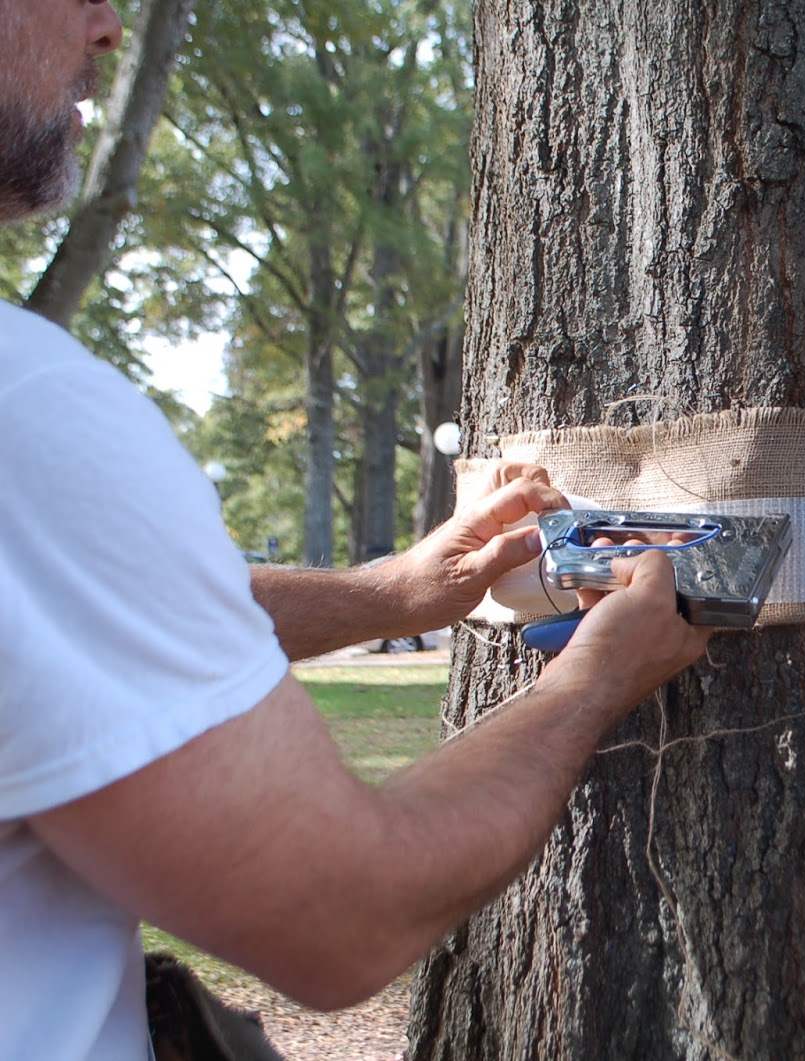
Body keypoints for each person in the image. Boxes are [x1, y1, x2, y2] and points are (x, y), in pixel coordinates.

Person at [0, 0, 710, 1055]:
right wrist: (593, 681)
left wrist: (386, 593)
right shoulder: (30, 420)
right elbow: (346, 913)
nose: (108, 27)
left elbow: (66, 619)